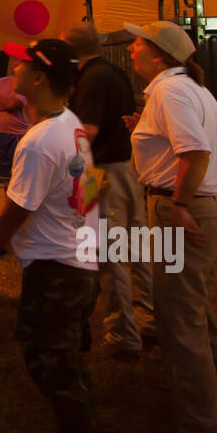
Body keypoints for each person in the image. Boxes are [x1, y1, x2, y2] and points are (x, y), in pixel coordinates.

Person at [126, 19, 217, 433]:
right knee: (197, 316)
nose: (131, 49)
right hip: (209, 207)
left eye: (138, 43)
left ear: (158, 54)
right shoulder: (189, 89)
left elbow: (195, 152)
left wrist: (177, 205)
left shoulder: (169, 90)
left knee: (180, 323)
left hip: (184, 209)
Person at [0, 39, 100, 433]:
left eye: (22, 64)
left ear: (39, 78)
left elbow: (14, 211)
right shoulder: (71, 124)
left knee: (48, 359)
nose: (14, 68)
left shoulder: (40, 140)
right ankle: (77, 429)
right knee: (65, 354)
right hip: (80, 256)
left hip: (58, 267)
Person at [65, 23, 154, 359]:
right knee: (137, 246)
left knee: (109, 253)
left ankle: (123, 333)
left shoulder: (91, 79)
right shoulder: (112, 72)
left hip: (101, 173)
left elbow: (86, 132)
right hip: (126, 168)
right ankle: (149, 320)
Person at [0, 71, 31, 187]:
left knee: (19, 174)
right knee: (4, 176)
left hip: (18, 135)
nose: (16, 63)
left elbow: (12, 105)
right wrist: (4, 103)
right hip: (1, 134)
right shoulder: (1, 81)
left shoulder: (25, 84)